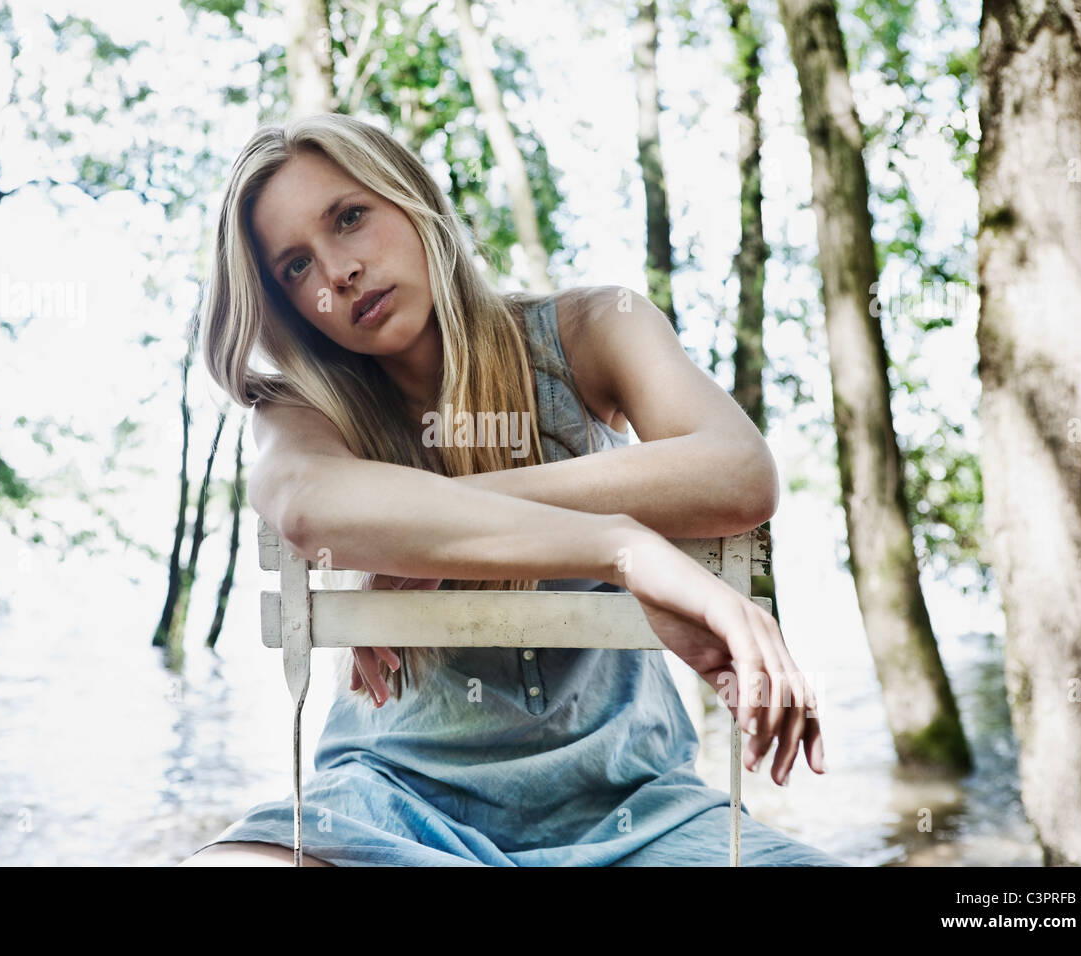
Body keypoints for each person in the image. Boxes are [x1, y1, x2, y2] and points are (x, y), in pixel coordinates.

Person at [181, 112, 844, 866]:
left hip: (639, 808)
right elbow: (306, 505)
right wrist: (621, 544)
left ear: (414, 198)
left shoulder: (595, 328)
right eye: (296, 267)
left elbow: (737, 471)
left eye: (350, 218)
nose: (337, 273)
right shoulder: (303, 413)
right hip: (394, 804)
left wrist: (428, 530)